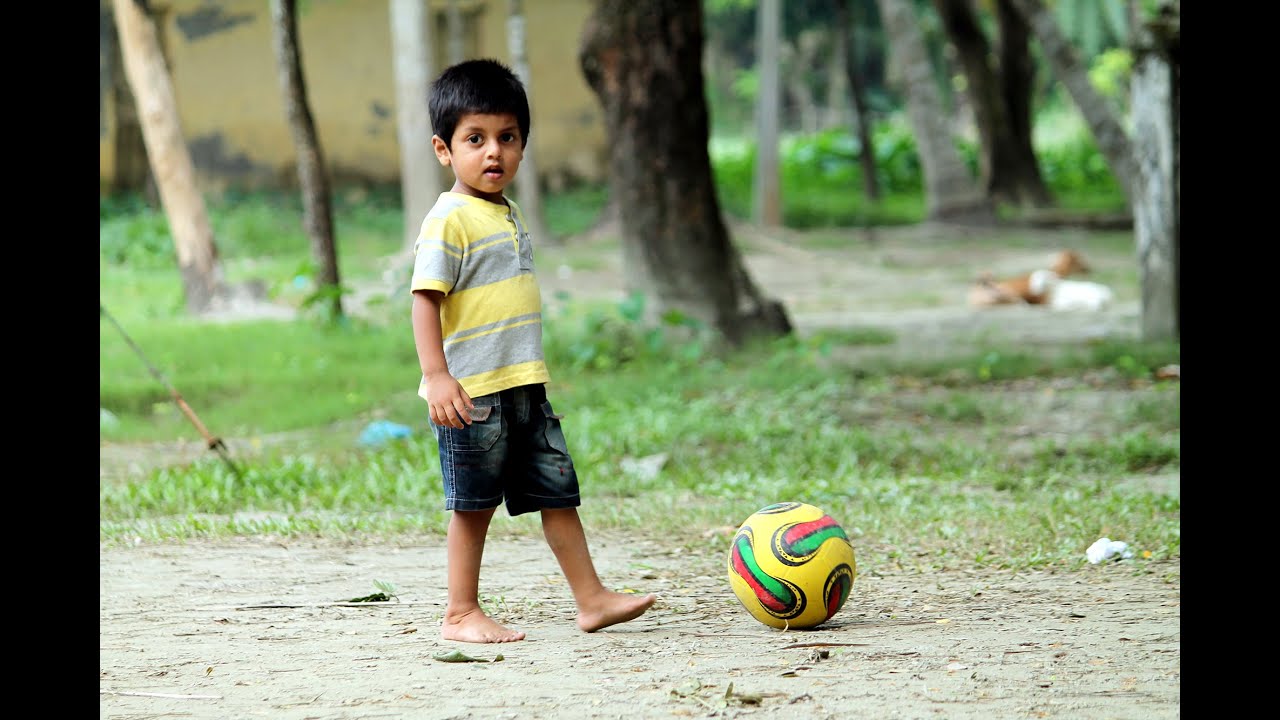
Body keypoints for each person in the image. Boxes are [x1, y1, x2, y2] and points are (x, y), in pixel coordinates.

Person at [409, 59, 657, 643]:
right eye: (476, 140)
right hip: (472, 394)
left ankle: (591, 598)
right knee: (472, 504)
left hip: (524, 386)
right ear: (444, 150)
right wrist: (436, 376)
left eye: (507, 138)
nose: (493, 152)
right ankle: (460, 612)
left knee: (556, 492)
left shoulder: (508, 212)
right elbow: (425, 299)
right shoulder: (448, 220)